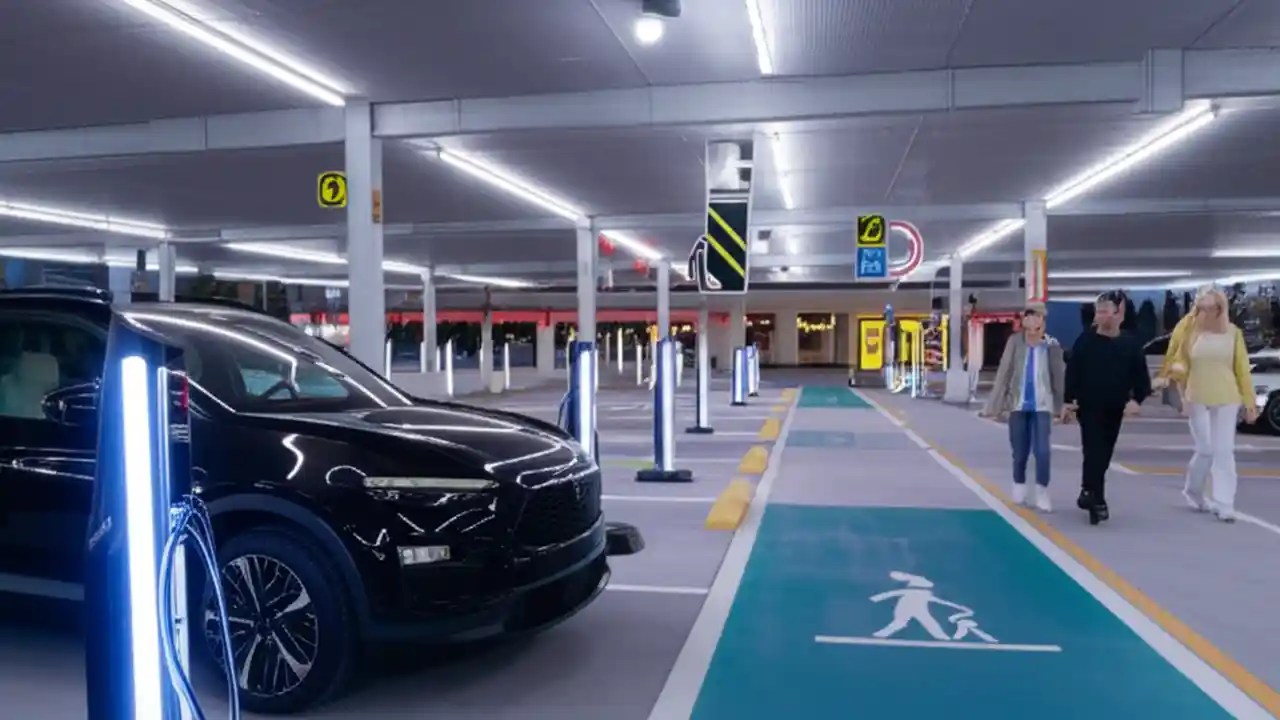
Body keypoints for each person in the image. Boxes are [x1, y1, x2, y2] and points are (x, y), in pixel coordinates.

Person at [1154, 286, 1257, 522]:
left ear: (1221, 308)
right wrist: (1179, 396)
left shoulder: (1233, 333)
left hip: (1227, 396)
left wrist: (1249, 403)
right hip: (1197, 396)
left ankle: (1225, 503)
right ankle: (1194, 490)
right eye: (1203, 308)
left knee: (1224, 451)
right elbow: (1177, 363)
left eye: (1213, 308)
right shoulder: (1188, 330)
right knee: (1206, 450)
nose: (1207, 313)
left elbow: (1242, 370)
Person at [1063, 290, 1152, 525]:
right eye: (1099, 311)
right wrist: (1068, 401)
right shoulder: (1085, 341)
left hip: (1115, 408)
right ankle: (1095, 498)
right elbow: (1073, 372)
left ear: (1118, 314)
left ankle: (1090, 493)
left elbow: (1141, 378)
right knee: (1093, 450)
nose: (1103, 316)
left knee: (1103, 454)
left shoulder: (1130, 344)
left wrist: (1136, 400)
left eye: (1107, 311)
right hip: (1089, 406)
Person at [980, 302, 1066, 512]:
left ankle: (1041, 491)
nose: (1033, 320)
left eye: (1037, 317)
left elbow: (1059, 377)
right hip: (1017, 405)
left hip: (1042, 406)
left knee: (1042, 451)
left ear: (1043, 320)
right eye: (1029, 316)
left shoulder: (1051, 344)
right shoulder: (1015, 342)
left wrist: (1062, 405)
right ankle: (1019, 484)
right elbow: (1004, 372)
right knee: (1019, 452)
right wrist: (994, 405)